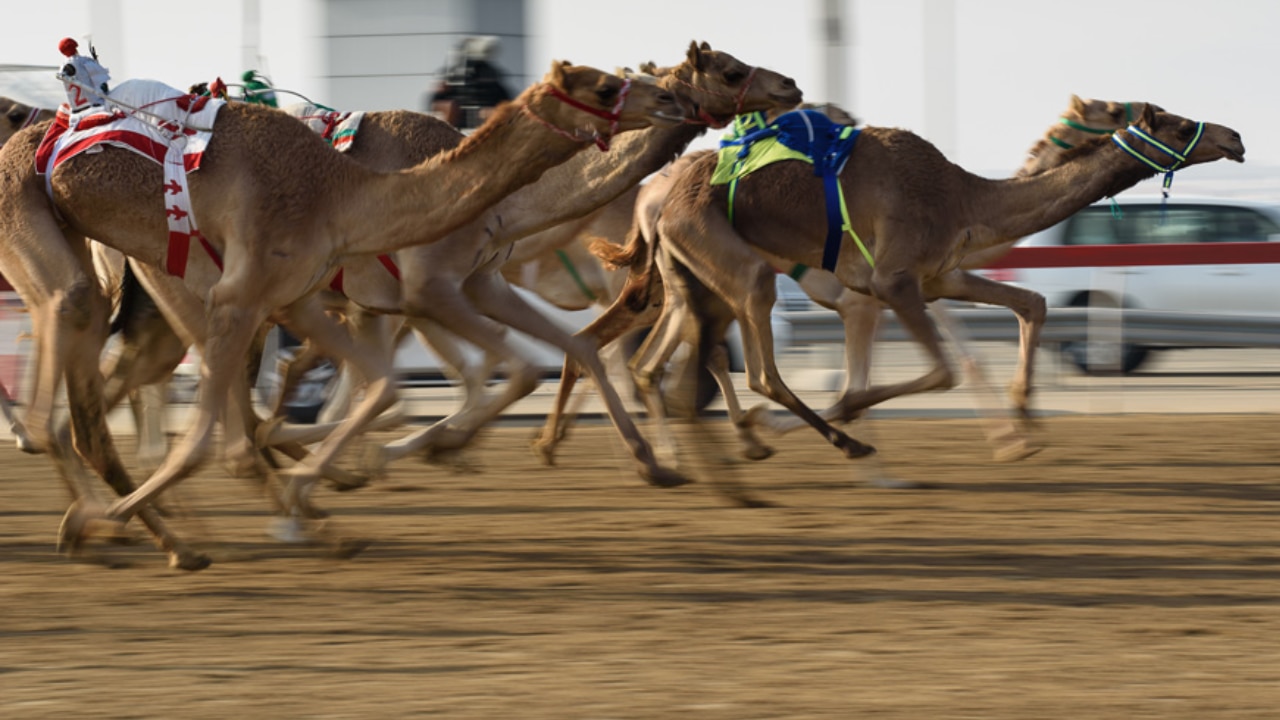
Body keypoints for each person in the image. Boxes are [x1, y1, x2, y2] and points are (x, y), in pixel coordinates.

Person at [427, 36, 513, 129]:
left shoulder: (491, 74)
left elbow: (506, 101)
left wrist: (495, 112)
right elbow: (435, 102)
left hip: (484, 126)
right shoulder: (451, 75)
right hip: (455, 126)